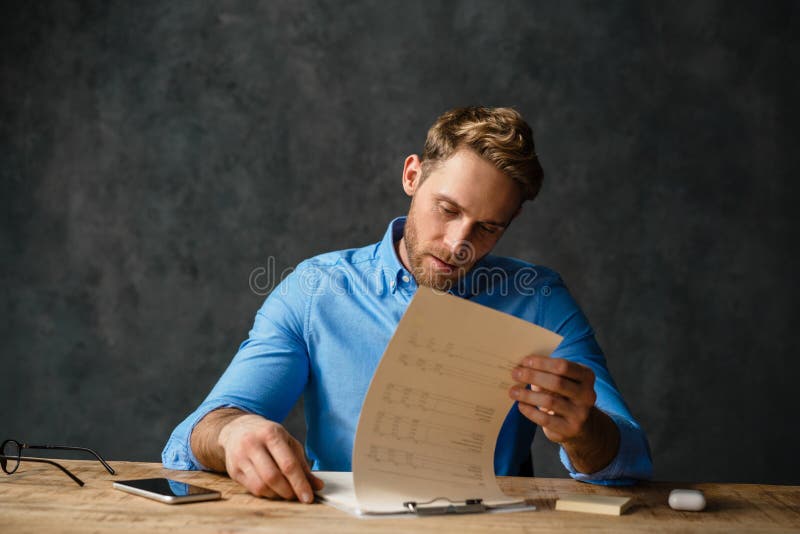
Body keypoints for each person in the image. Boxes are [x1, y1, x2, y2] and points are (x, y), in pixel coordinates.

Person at [162, 107, 653, 504]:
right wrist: (233, 432)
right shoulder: (315, 290)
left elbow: (629, 459)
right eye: (448, 210)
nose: (460, 243)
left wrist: (583, 430)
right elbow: (195, 436)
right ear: (412, 176)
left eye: (488, 227)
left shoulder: (539, 297)